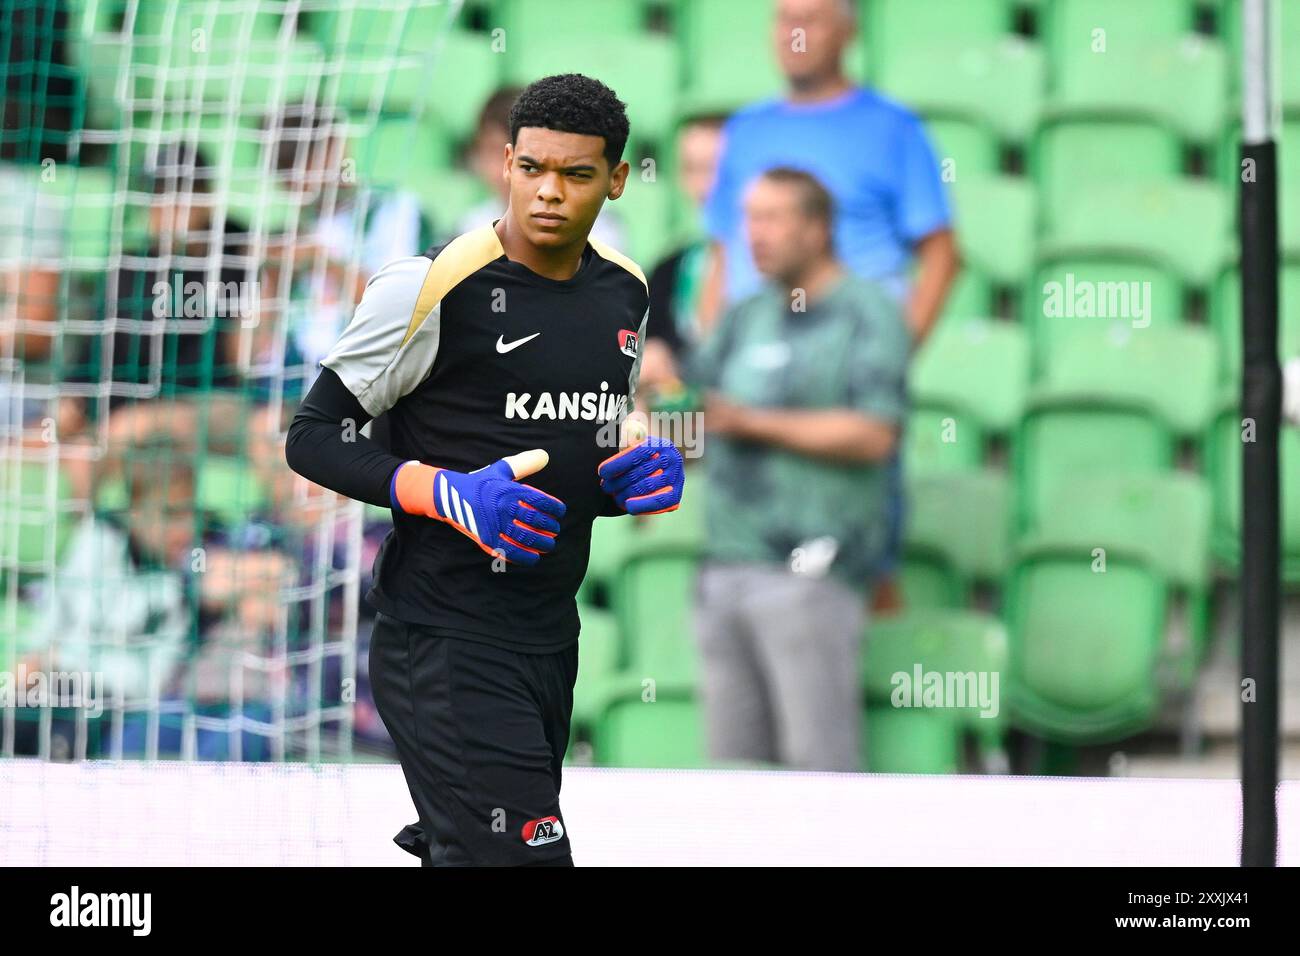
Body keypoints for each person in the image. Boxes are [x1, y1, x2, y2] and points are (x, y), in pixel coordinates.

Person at [285, 74, 686, 866]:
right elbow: (313, 435)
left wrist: (627, 482)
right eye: (532, 168)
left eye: (575, 175)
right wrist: (448, 494)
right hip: (441, 638)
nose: (548, 192)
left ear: (615, 180)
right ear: (504, 162)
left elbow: (576, 448)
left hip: (548, 637)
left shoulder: (624, 292)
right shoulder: (429, 283)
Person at [688, 167, 909, 772]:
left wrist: (751, 421)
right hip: (725, 567)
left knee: (819, 775)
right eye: (748, 218)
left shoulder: (867, 313)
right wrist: (657, 404)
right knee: (732, 784)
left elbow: (875, 434)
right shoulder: (742, 315)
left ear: (818, 228)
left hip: (811, 573)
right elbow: (700, 427)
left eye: (771, 218)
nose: (753, 235)